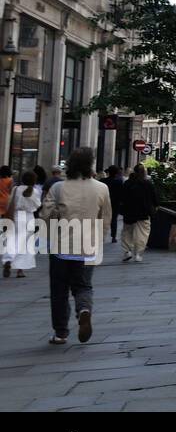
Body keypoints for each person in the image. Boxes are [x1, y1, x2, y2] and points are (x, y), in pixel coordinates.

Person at [38, 147, 111, 345]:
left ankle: (61, 332)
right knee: (83, 286)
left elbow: (45, 215)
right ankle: (84, 310)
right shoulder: (101, 188)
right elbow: (105, 219)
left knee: (59, 290)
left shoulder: (58, 188)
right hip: (88, 246)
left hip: (62, 245)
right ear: (90, 165)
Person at [4, 171, 42, 277]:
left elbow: (9, 202)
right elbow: (38, 205)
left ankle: (8, 258)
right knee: (25, 244)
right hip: (28, 217)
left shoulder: (16, 189)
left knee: (13, 240)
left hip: (16, 216)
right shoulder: (34, 191)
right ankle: (20, 270)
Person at [120, 164, 157, 262]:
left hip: (129, 212)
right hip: (143, 212)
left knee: (127, 232)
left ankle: (127, 251)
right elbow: (154, 198)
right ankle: (138, 253)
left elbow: (122, 197)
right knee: (142, 234)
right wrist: (155, 206)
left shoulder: (127, 183)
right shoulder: (148, 184)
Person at [103, 165, 125, 244]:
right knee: (114, 219)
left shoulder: (103, 181)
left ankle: (101, 235)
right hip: (115, 203)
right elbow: (122, 193)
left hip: (104, 202)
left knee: (102, 218)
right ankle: (113, 237)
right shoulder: (119, 181)